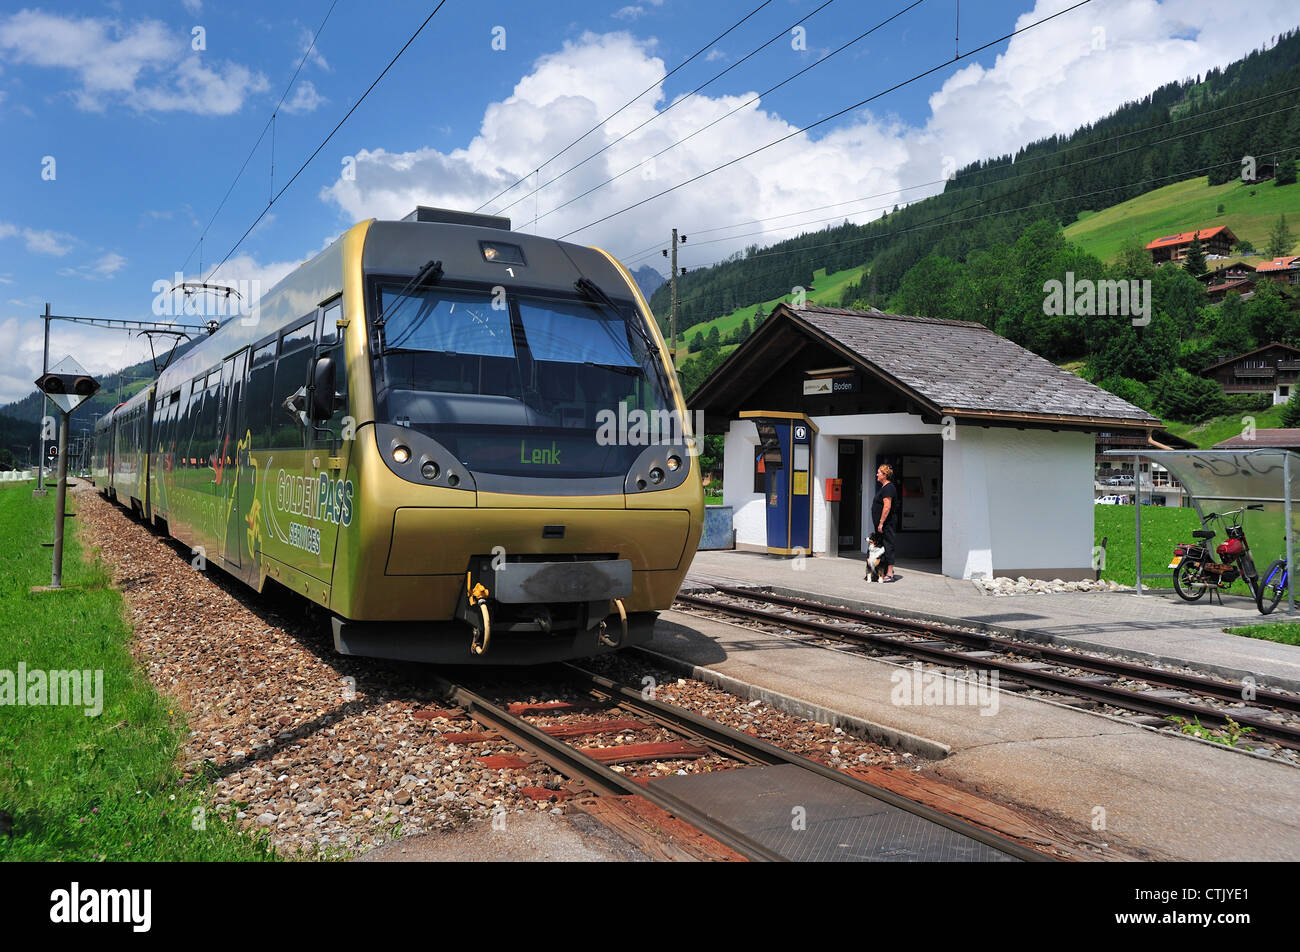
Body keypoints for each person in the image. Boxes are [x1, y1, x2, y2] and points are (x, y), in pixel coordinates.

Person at [871, 463, 900, 582]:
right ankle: (882, 571)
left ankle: (889, 573)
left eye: (879, 472)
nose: (877, 474)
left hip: (887, 524)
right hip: (882, 524)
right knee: (882, 547)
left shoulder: (889, 488)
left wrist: (881, 522)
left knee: (888, 545)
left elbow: (887, 507)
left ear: (884, 474)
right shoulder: (883, 488)